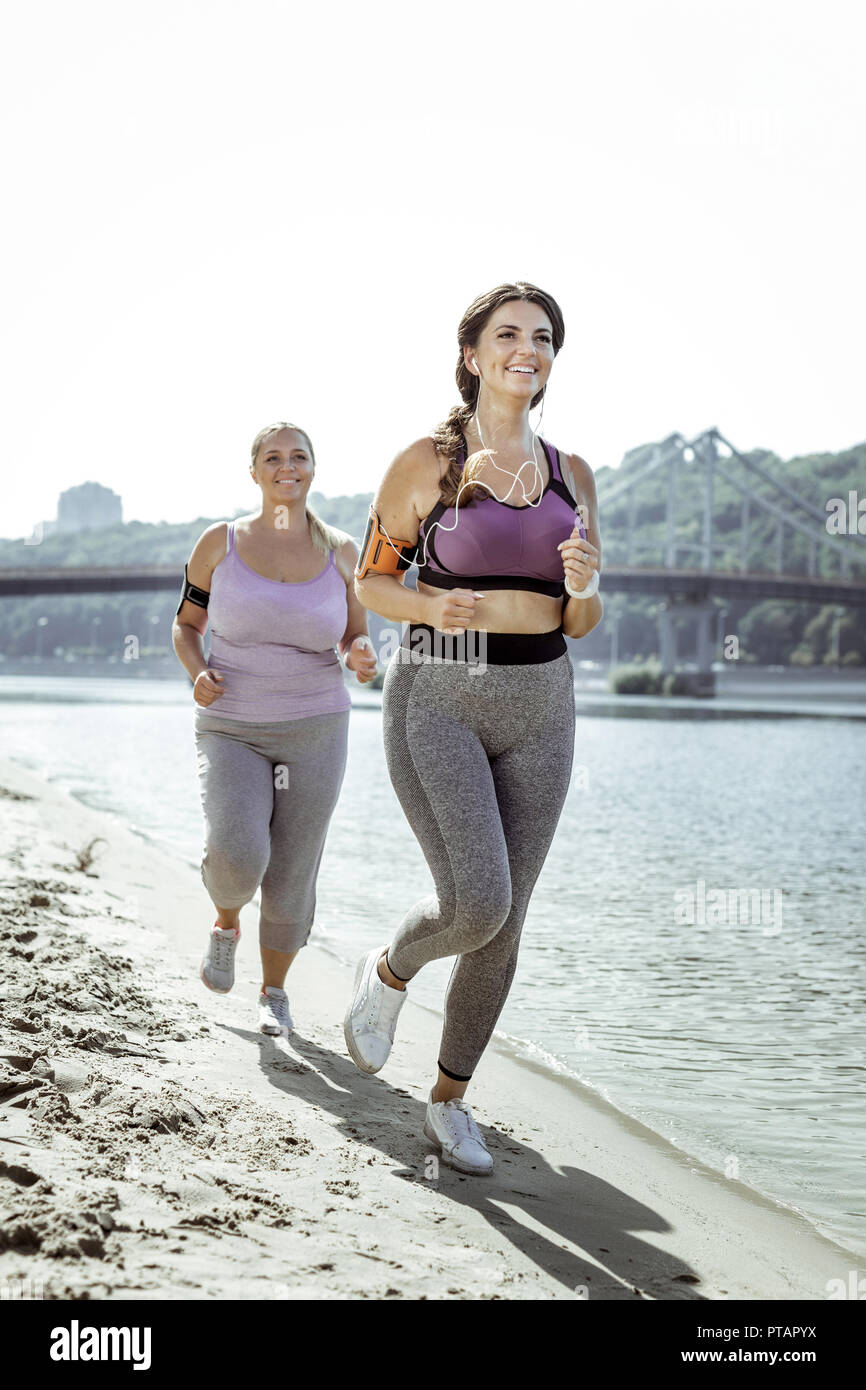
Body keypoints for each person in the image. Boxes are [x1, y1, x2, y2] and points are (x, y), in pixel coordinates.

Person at [345, 282, 603, 1174]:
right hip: (442, 692)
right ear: (472, 354)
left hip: (544, 704)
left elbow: (581, 623)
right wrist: (424, 599)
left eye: (542, 337)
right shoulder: (427, 462)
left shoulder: (575, 476)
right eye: (508, 335)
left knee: (508, 919)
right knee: (476, 902)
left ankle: (450, 1100)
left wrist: (585, 585)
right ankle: (388, 971)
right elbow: (370, 584)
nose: (526, 349)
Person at [172, 422, 377, 1037]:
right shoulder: (219, 544)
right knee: (239, 854)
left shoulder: (344, 552)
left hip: (315, 725)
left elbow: (354, 634)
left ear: (313, 469)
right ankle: (226, 919)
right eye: (273, 457)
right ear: (254, 471)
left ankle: (274, 991)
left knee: (293, 866)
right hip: (232, 722)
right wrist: (196, 670)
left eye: (299, 456)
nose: (287, 466)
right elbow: (185, 626)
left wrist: (363, 653)